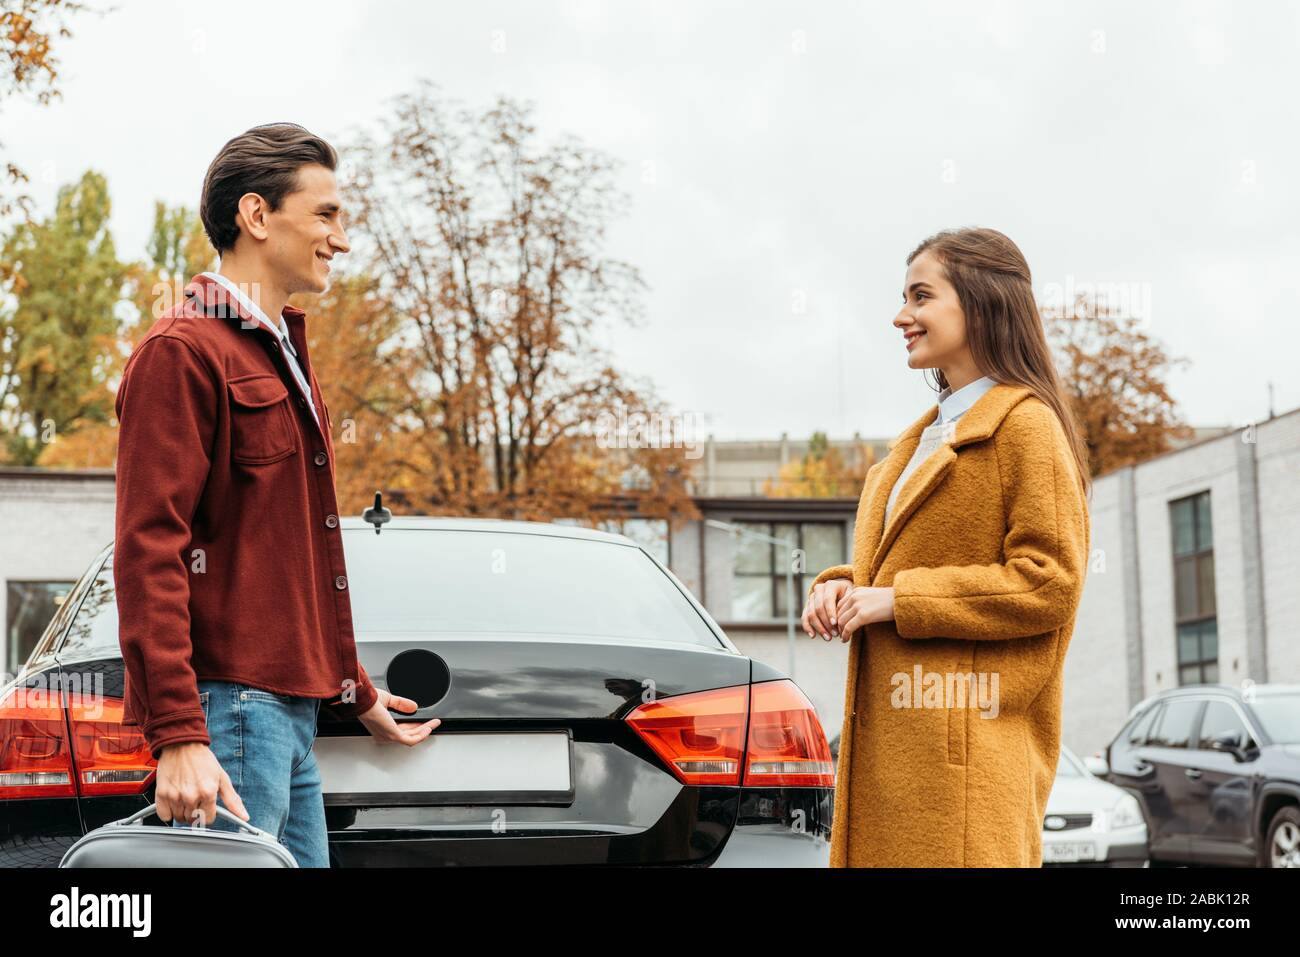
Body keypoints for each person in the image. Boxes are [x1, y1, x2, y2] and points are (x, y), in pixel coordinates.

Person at [113, 123, 441, 867]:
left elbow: (292, 556)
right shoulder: (184, 351)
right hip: (229, 715)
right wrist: (179, 734)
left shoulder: (283, 351)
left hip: (285, 721)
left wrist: (353, 688)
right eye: (326, 215)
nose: (342, 239)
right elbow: (147, 549)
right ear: (257, 217)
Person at [800, 227, 1092, 867]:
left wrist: (897, 601)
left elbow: (1048, 582)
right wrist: (843, 584)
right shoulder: (914, 444)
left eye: (921, 296)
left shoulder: (1025, 425)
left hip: (964, 772)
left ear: (981, 303)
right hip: (893, 769)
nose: (901, 316)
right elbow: (896, 570)